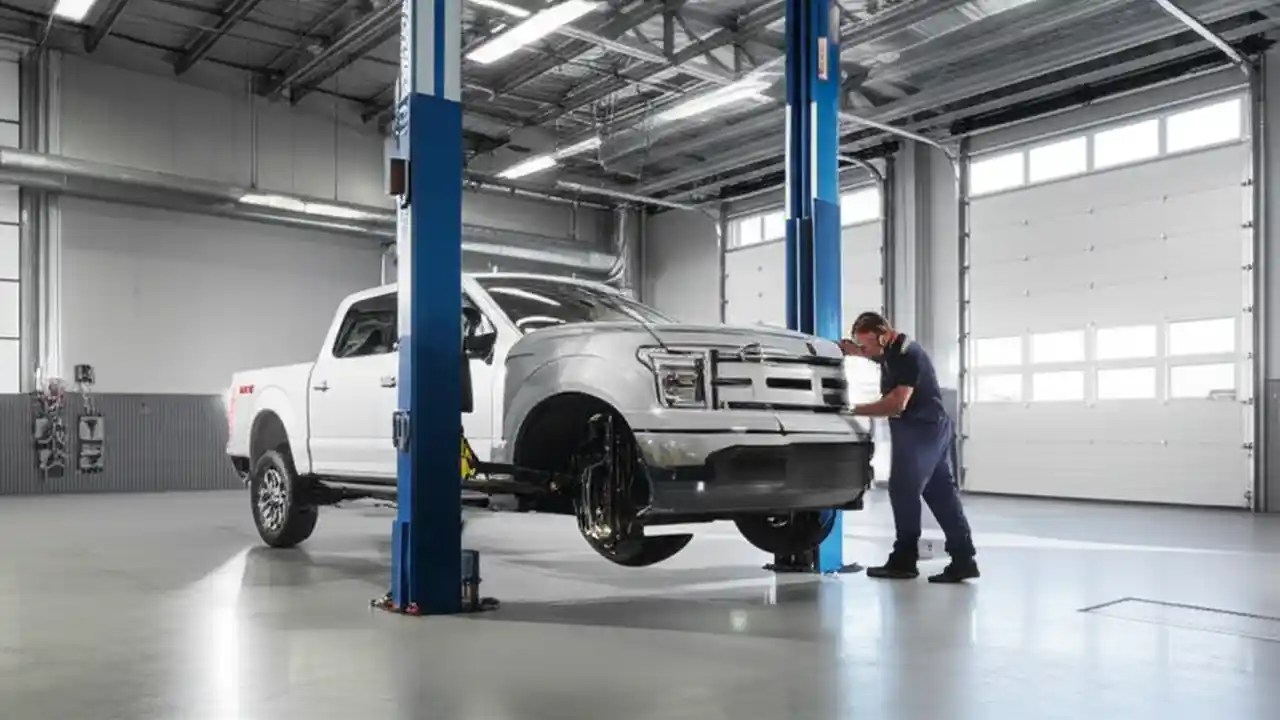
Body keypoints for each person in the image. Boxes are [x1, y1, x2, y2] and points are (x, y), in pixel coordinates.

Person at [840, 312, 979, 583]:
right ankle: (964, 559)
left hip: (920, 429)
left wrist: (852, 409)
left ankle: (904, 560)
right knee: (940, 494)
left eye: (866, 344)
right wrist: (855, 351)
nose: (865, 350)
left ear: (882, 336)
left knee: (903, 489)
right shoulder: (891, 350)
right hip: (931, 428)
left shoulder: (906, 355)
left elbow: (896, 404)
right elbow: (878, 355)